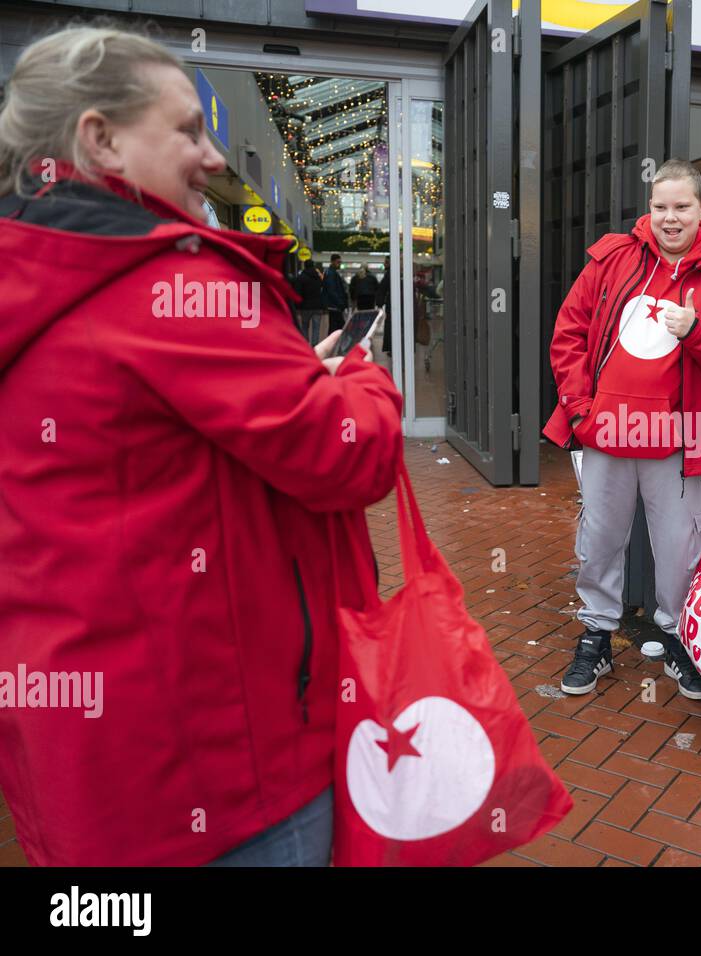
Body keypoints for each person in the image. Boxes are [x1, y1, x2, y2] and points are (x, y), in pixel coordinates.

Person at [0, 27, 404, 866]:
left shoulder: (36, 270)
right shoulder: (167, 284)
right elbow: (349, 457)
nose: (212, 154)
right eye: (186, 129)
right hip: (221, 756)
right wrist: (363, 377)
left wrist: (288, 379)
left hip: (82, 758)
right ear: (99, 138)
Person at [543, 159, 701, 699]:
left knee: (681, 545)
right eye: (661, 207)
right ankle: (596, 634)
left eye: (682, 207)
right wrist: (579, 408)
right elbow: (569, 331)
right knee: (601, 538)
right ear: (649, 208)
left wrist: (699, 332)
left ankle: (680, 637)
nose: (670, 218)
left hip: (680, 438)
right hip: (607, 429)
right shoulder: (613, 258)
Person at [293, 259, 326, 344]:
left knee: (305, 326)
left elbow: (297, 293)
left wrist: (297, 306)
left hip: (305, 307)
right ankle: (315, 345)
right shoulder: (318, 278)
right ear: (313, 266)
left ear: (305, 266)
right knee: (316, 328)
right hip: (318, 306)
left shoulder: (301, 278)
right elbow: (322, 290)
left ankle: (305, 345)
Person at [323, 252, 348, 333]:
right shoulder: (331, 273)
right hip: (335, 306)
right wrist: (340, 303)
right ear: (332, 262)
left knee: (335, 327)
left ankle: (333, 343)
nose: (339, 264)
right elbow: (332, 290)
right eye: (338, 262)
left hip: (334, 305)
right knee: (337, 327)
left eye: (340, 262)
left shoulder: (332, 272)